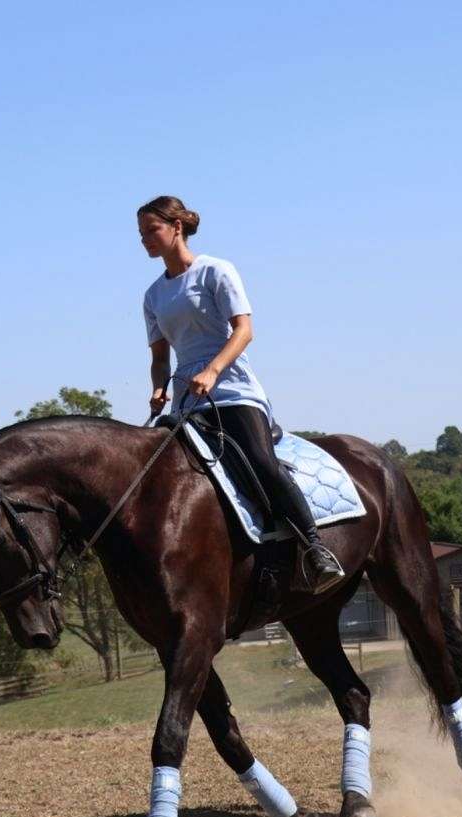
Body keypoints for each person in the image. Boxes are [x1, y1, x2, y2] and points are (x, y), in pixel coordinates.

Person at [137, 195, 345, 595]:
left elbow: (244, 331)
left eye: (152, 230)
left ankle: (315, 548)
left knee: (261, 463)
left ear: (176, 227)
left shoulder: (216, 271)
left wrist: (213, 370)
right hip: (186, 402)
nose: (145, 239)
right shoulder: (153, 296)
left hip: (233, 391)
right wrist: (159, 387)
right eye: (141, 234)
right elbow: (160, 357)